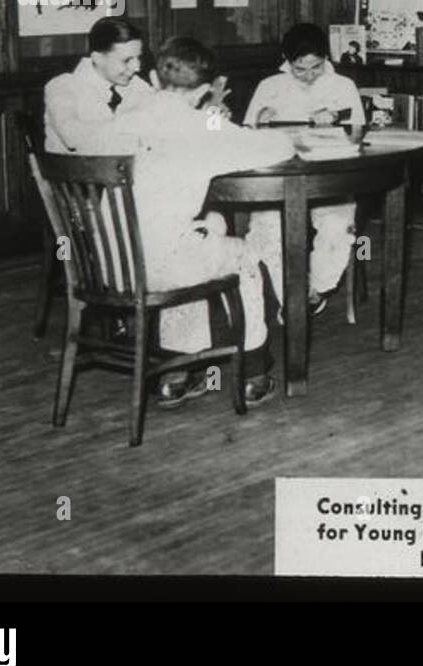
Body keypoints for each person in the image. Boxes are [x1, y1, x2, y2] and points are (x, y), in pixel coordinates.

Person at [113, 36, 296, 407]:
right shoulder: (201, 129)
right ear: (203, 90)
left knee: (196, 237)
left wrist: (210, 117)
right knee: (243, 255)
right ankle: (253, 374)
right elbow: (278, 148)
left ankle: (175, 374)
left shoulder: (124, 118)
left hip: (107, 264)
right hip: (161, 269)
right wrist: (214, 116)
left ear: (154, 76)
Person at [243, 23, 366, 315]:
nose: (309, 76)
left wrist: (336, 119)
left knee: (337, 228)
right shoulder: (270, 86)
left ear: (326, 59)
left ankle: (315, 290)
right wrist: (260, 120)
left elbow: (360, 135)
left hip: (329, 182)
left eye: (317, 67)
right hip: (278, 182)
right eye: (301, 69)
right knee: (266, 228)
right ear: (287, 60)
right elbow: (245, 136)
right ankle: (291, 296)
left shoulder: (343, 86)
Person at [43, 18, 154, 154]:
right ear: (97, 58)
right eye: (127, 60)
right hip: (75, 173)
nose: (137, 67)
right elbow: (72, 137)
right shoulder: (63, 86)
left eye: (138, 58)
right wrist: (130, 124)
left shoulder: (136, 85)